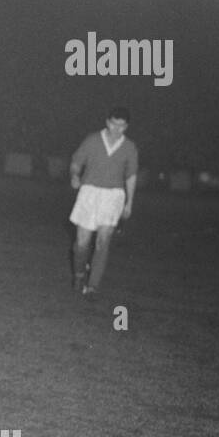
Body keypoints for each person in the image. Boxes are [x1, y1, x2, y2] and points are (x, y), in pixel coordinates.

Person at [68, 108, 138, 298]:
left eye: (122, 126)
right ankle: (79, 274)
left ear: (126, 126)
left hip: (113, 196)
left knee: (103, 240)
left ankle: (93, 286)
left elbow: (131, 176)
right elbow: (76, 162)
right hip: (89, 192)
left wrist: (129, 203)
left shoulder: (129, 147)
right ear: (108, 122)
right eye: (114, 124)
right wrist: (75, 175)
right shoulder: (92, 140)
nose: (117, 129)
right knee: (82, 243)